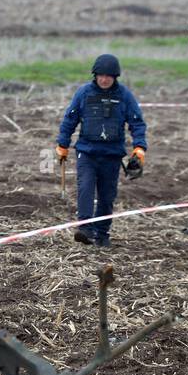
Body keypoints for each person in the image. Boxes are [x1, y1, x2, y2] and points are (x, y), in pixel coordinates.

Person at [55, 54, 147, 246]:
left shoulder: (125, 96)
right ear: (95, 75)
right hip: (87, 152)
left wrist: (139, 148)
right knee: (86, 188)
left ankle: (102, 234)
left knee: (106, 197)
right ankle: (85, 228)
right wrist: (62, 144)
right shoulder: (83, 93)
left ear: (115, 77)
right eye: (101, 75)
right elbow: (69, 119)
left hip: (112, 155)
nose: (104, 79)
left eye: (109, 76)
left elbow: (137, 123)